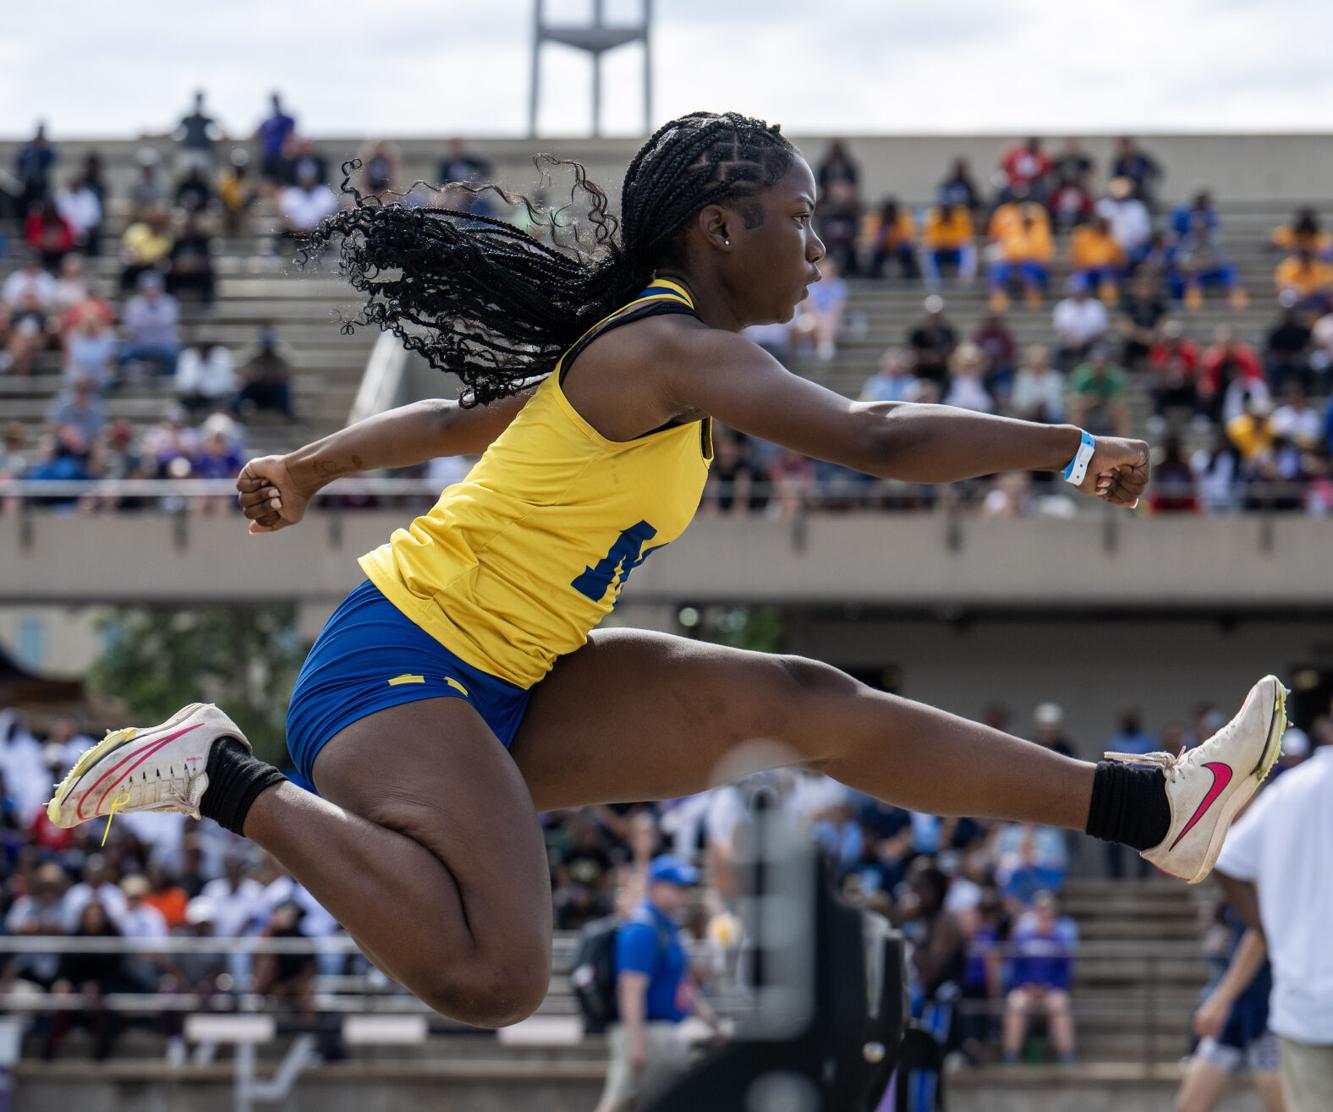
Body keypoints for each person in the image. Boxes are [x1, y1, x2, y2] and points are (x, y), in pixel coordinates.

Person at [49, 112, 1285, 1036]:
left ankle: (1148, 809)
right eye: (797, 219)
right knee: (494, 976)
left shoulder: (629, 350)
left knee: (800, 702)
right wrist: (1068, 447)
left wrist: (315, 464)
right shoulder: (665, 349)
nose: (816, 245)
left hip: (514, 677)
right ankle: (219, 772)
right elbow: (876, 436)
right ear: (718, 228)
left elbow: (451, 425)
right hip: (393, 668)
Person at [1210, 723, 1333, 1110]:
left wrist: (1221, 997)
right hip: (1287, 1003)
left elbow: (1227, 864)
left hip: (1290, 1002)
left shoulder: (1288, 795)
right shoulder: (1288, 799)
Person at [594, 855, 717, 1112]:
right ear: (656, 886)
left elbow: (683, 983)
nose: (683, 894)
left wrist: (711, 1021)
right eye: (677, 887)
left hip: (665, 1033)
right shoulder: (642, 929)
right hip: (644, 1033)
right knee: (617, 1104)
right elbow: (631, 988)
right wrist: (636, 1045)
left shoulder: (667, 927)